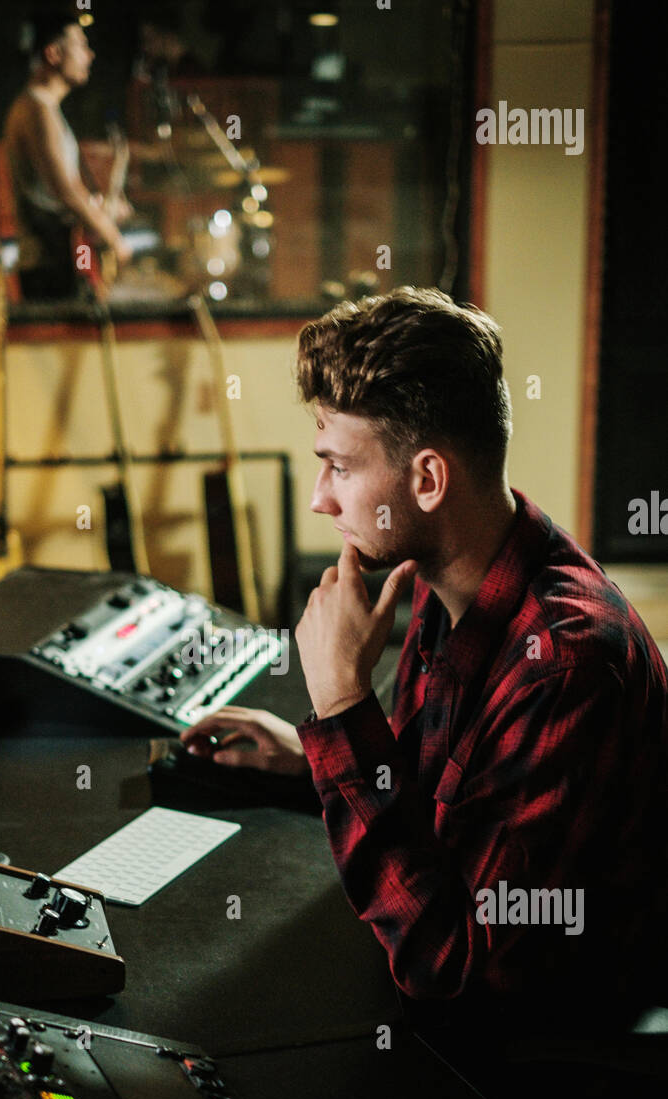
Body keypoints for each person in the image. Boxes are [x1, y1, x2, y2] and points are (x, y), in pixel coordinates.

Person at [182, 287, 668, 1036]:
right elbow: (445, 806)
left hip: (534, 1061)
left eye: (339, 466)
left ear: (429, 480)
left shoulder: (566, 664)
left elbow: (455, 970)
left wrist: (343, 706)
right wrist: (316, 759)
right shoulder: (451, 582)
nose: (320, 498)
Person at [4, 10, 132, 300]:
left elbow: (62, 190)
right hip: (48, 260)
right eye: (81, 46)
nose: (90, 55)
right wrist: (114, 238)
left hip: (59, 254)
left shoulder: (44, 108)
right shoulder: (37, 109)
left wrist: (101, 208)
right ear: (53, 53)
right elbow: (66, 191)